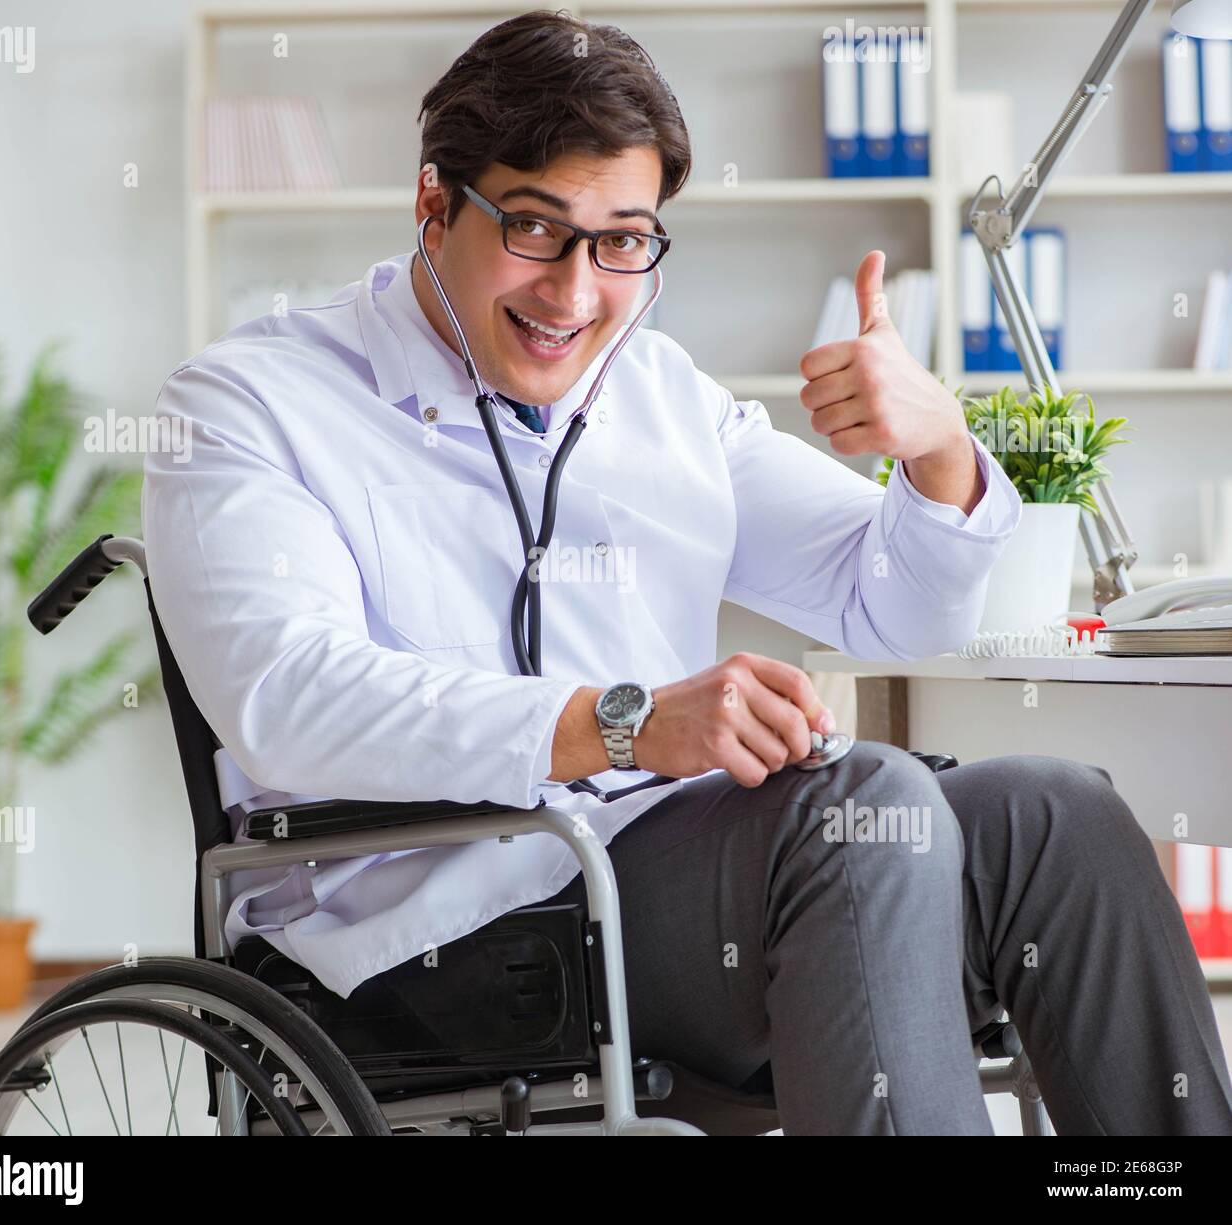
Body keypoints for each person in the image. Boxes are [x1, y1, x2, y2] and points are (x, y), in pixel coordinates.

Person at [142, 10, 1232, 1134]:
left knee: (1058, 814)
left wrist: (939, 451)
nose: (574, 293)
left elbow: (891, 605)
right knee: (859, 807)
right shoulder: (250, 400)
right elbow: (287, 696)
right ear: (433, 202)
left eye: (622, 240)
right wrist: (623, 725)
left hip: (665, 895)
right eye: (532, 227)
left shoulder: (659, 396)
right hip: (424, 936)